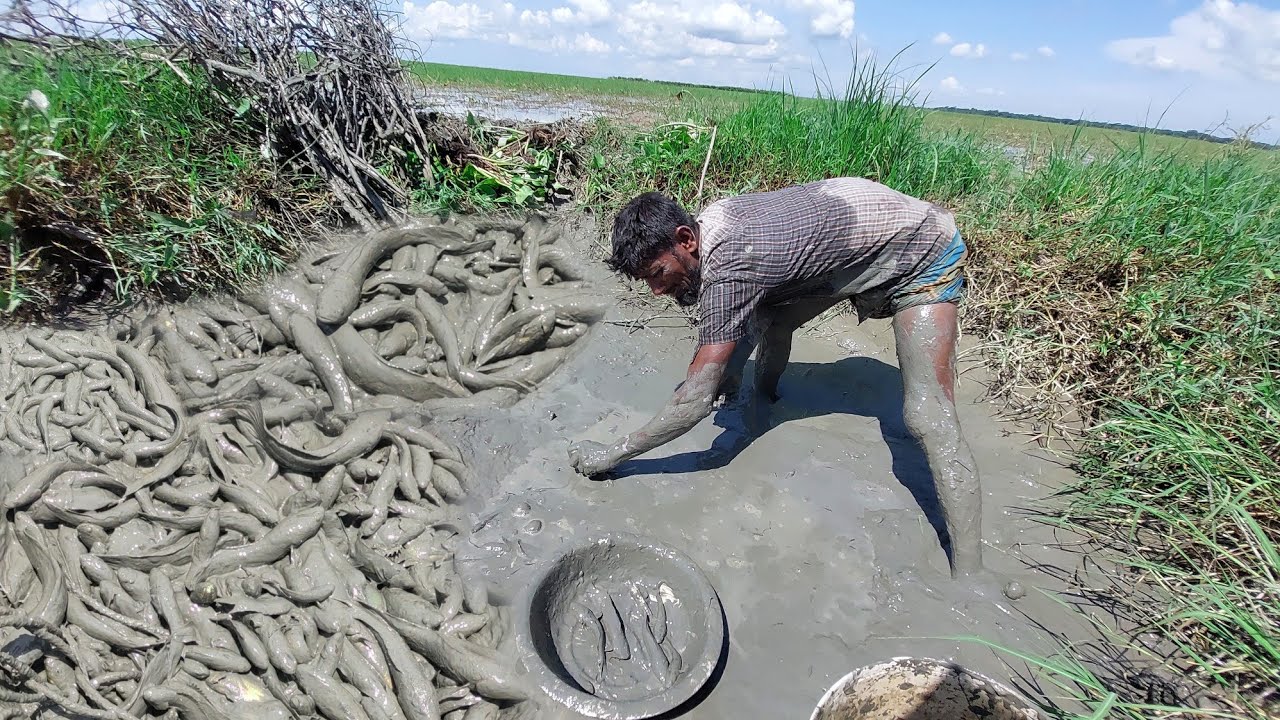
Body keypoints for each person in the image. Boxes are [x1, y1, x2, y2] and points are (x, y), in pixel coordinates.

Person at [566, 177, 985, 577]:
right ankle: (766, 401)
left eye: (658, 274)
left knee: (928, 417)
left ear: (685, 240)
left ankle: (970, 572)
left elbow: (692, 401)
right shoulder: (715, 221)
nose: (657, 291)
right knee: (772, 318)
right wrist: (725, 378)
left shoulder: (732, 267)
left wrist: (612, 454)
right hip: (854, 236)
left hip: (921, 247)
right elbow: (742, 322)